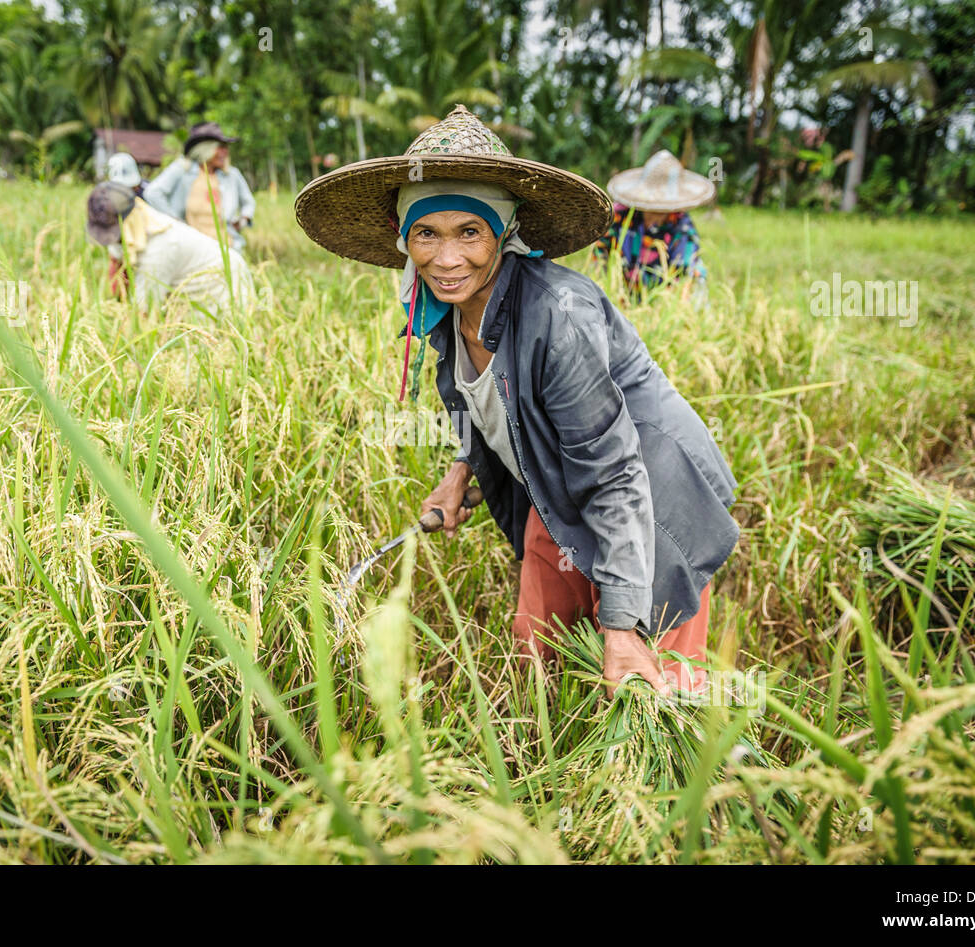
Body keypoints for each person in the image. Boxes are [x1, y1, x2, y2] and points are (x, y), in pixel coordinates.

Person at [295, 106, 739, 698]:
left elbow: (614, 473)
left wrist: (626, 623)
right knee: (542, 648)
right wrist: (464, 469)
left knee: (653, 680)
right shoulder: (448, 314)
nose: (446, 259)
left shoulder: (559, 316)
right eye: (427, 233)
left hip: (647, 499)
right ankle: (546, 761)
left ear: (503, 232)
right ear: (406, 239)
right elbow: (495, 405)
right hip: (554, 483)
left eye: (469, 232)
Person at [86, 181, 253, 313]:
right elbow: (117, 270)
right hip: (181, 281)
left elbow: (143, 314)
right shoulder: (125, 231)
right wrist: (114, 306)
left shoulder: (160, 248)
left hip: (223, 280)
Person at [596, 150, 713, 303]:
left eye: (660, 211)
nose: (653, 217)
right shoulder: (619, 215)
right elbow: (599, 253)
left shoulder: (682, 227)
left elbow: (683, 274)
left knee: (696, 276)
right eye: (650, 209)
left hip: (663, 291)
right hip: (624, 287)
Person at [143, 121, 256, 252]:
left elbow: (249, 202)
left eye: (226, 148)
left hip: (228, 245)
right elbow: (152, 193)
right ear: (205, 149)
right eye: (220, 147)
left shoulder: (232, 175)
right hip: (190, 246)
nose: (225, 152)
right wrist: (174, 220)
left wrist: (243, 219)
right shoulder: (182, 169)